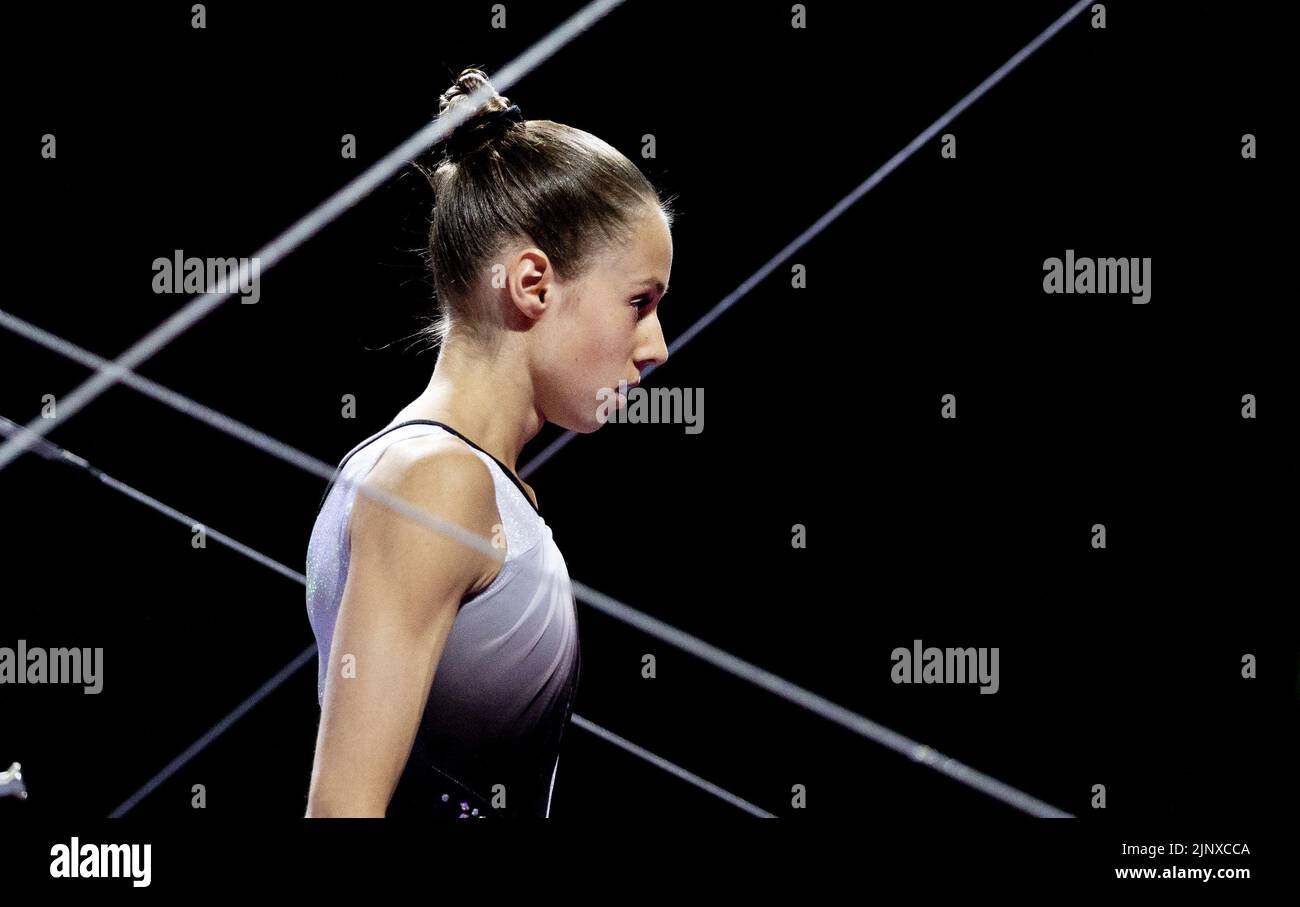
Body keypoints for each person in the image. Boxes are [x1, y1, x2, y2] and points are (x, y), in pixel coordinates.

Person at [303, 67, 675, 817]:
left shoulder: (468, 484)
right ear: (533, 283)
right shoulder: (435, 480)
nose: (656, 345)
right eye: (639, 302)